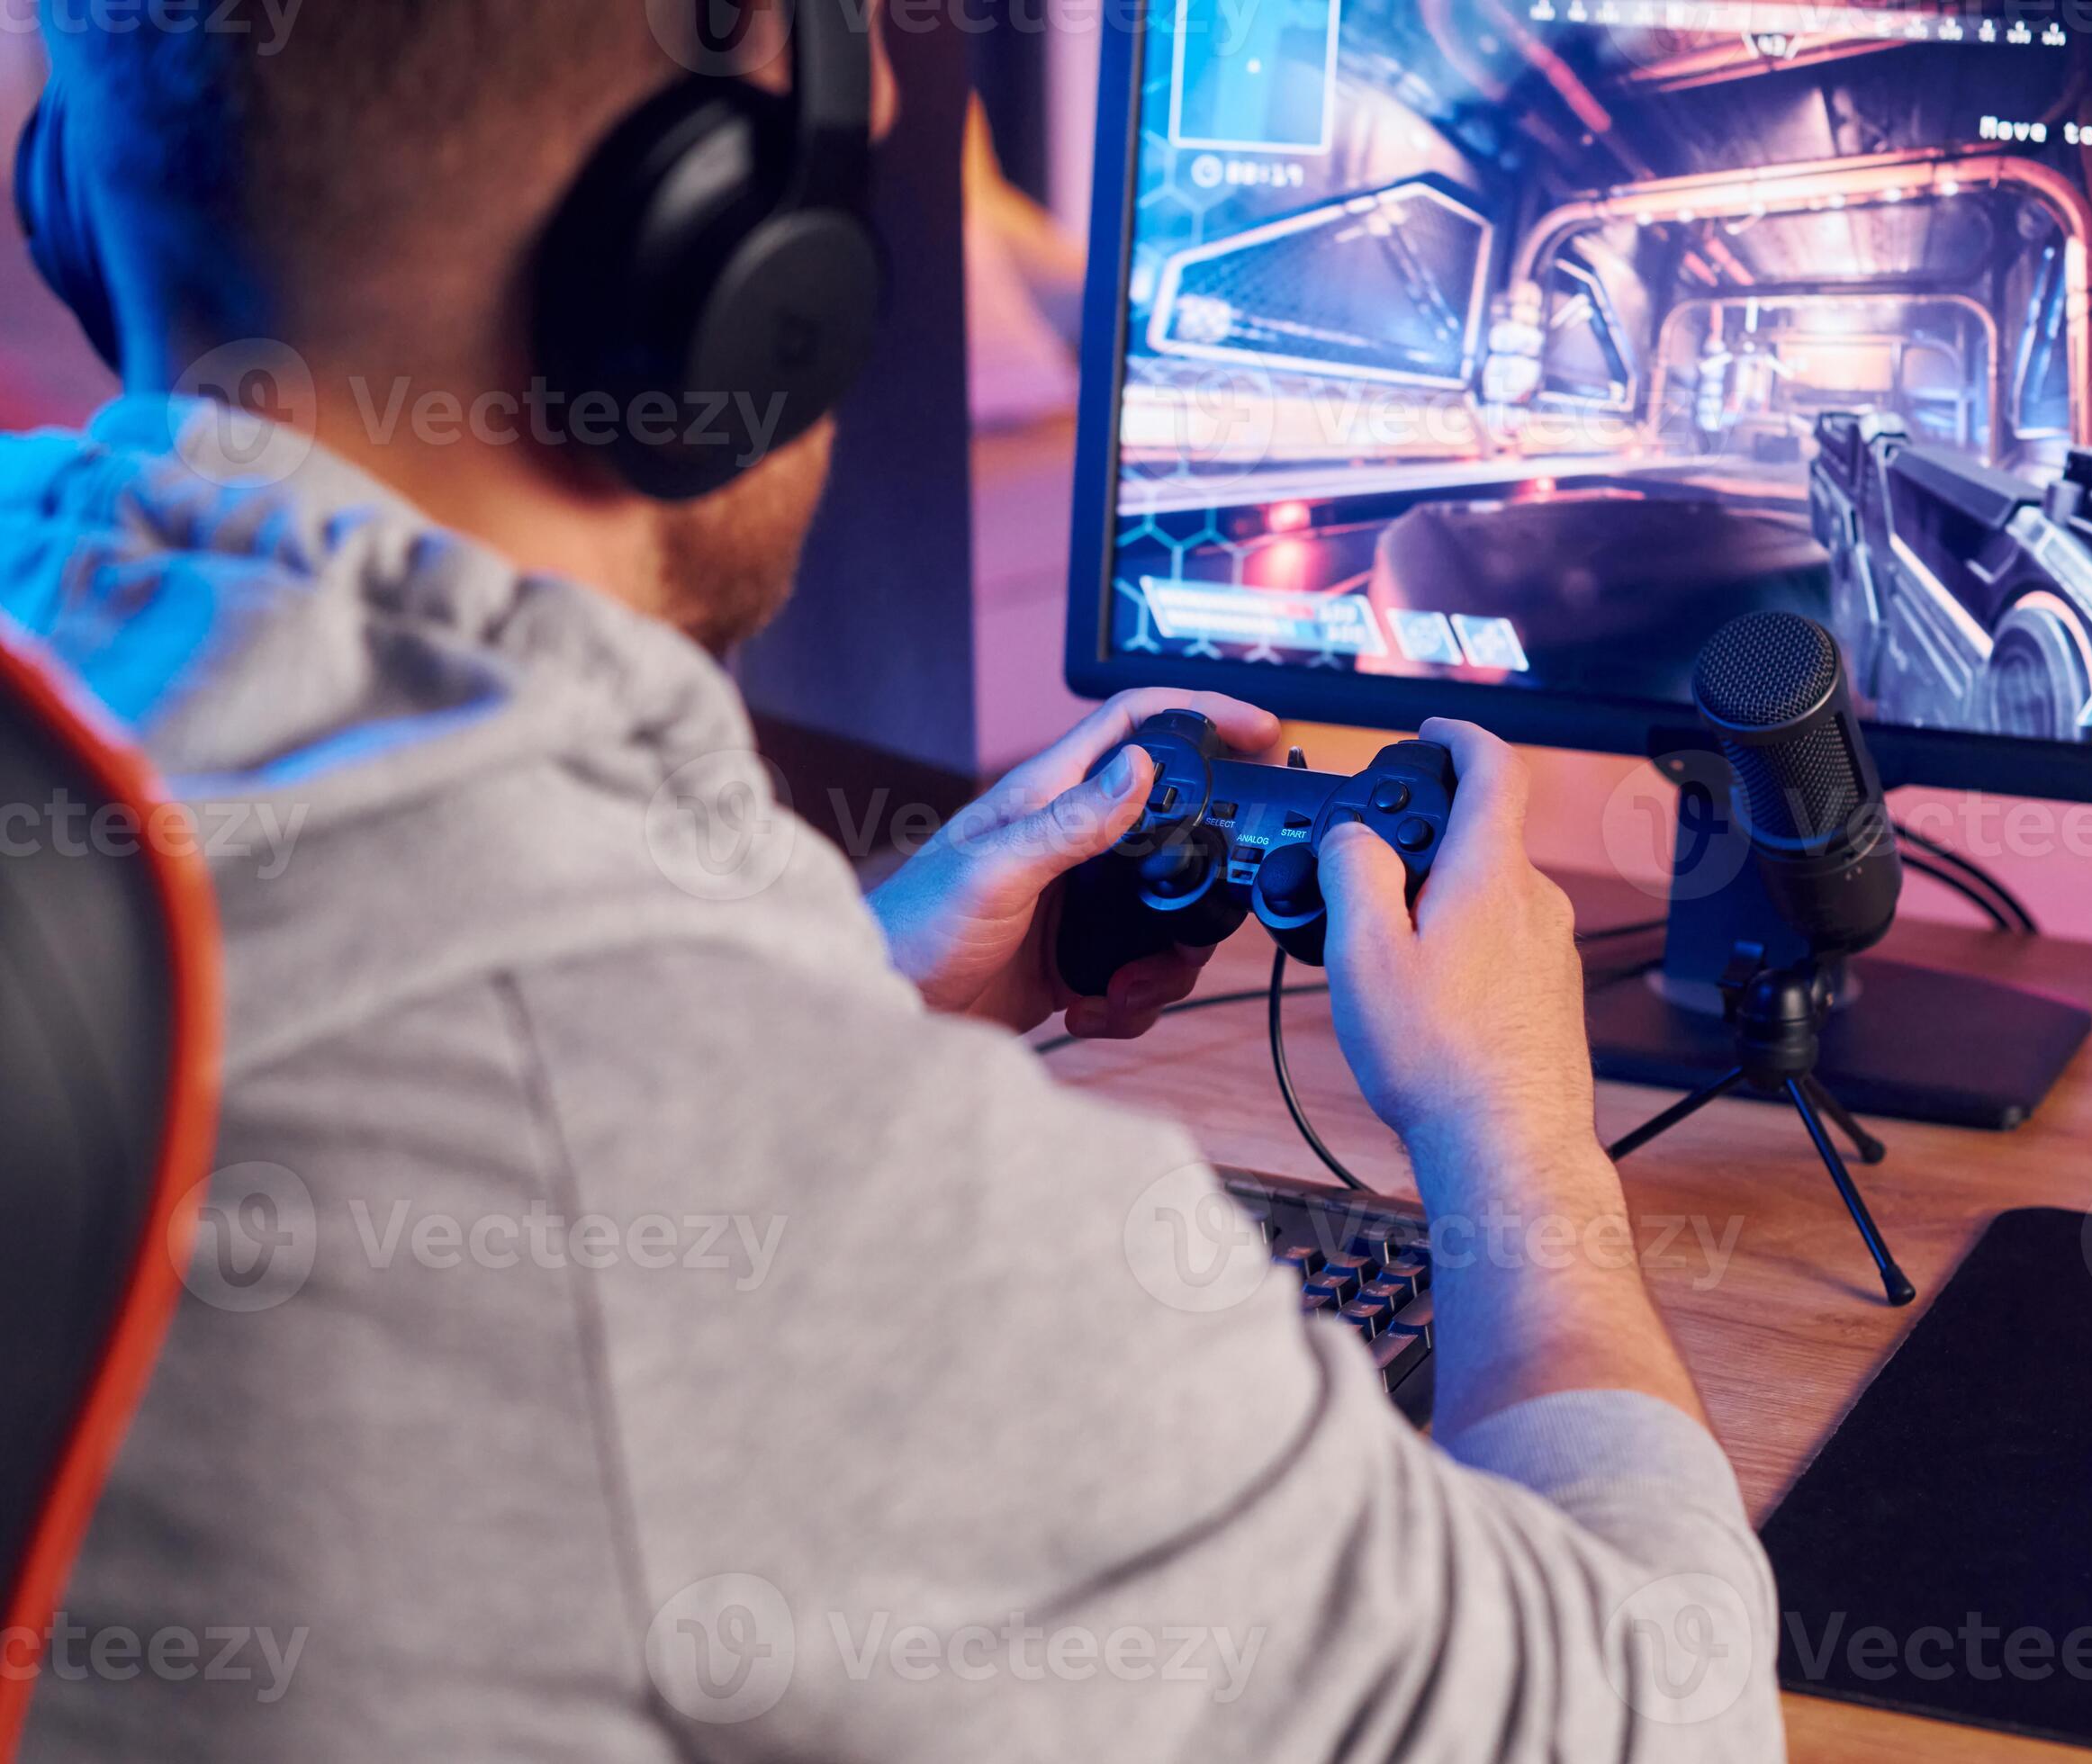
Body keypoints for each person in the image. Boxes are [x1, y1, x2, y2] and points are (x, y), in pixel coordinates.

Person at [0, 5, 1785, 1757]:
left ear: (80, 195)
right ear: (729, 261)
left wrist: (844, 988)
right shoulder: (701, 1156)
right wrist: (1521, 1136)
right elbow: (1659, 1720)